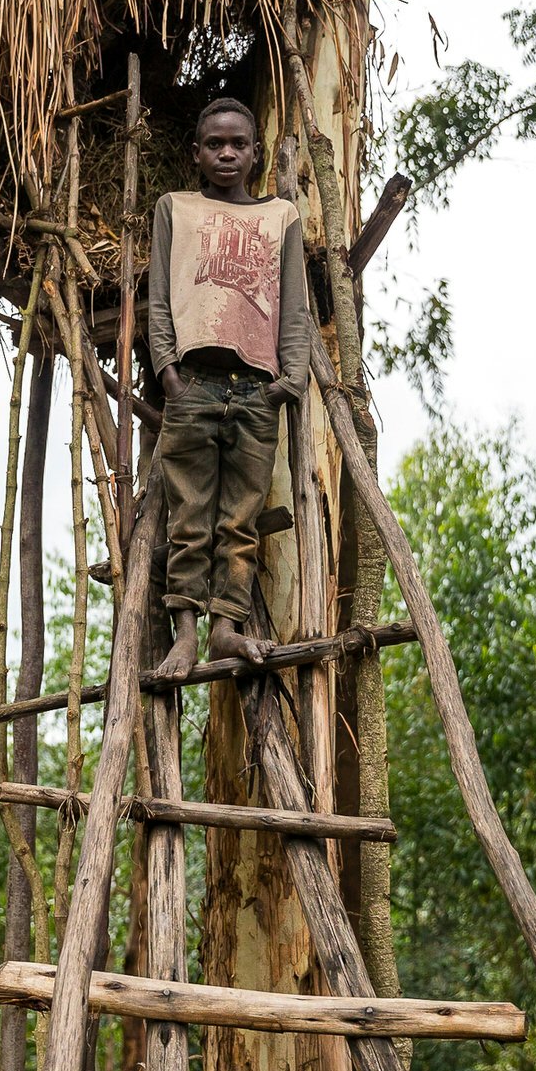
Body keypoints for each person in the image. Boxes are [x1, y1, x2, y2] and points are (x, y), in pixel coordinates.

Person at [148, 96, 310, 680]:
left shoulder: (280, 217)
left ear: (255, 152)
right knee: (189, 515)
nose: (226, 153)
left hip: (256, 390)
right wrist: (167, 368)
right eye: (214, 144)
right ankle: (185, 636)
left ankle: (225, 628)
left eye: (237, 144)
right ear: (195, 153)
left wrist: (289, 381)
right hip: (192, 381)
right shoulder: (175, 208)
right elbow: (160, 296)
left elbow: (294, 306)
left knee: (239, 521)